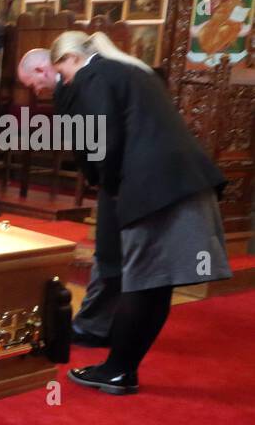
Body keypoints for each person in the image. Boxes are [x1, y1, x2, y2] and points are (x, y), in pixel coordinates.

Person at [46, 30, 231, 394]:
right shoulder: (133, 70)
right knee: (157, 284)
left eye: (61, 74)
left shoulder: (92, 75)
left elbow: (101, 139)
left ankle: (118, 370)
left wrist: (105, 183)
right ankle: (123, 368)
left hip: (152, 190)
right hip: (185, 182)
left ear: (69, 59)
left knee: (142, 281)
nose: (65, 82)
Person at [18, 48, 120, 346]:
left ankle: (94, 326)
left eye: (33, 83)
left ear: (42, 70)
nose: (36, 91)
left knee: (110, 252)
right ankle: (103, 321)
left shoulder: (80, 84)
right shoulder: (92, 77)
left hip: (118, 176)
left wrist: (99, 177)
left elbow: (94, 135)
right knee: (114, 253)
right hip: (118, 174)